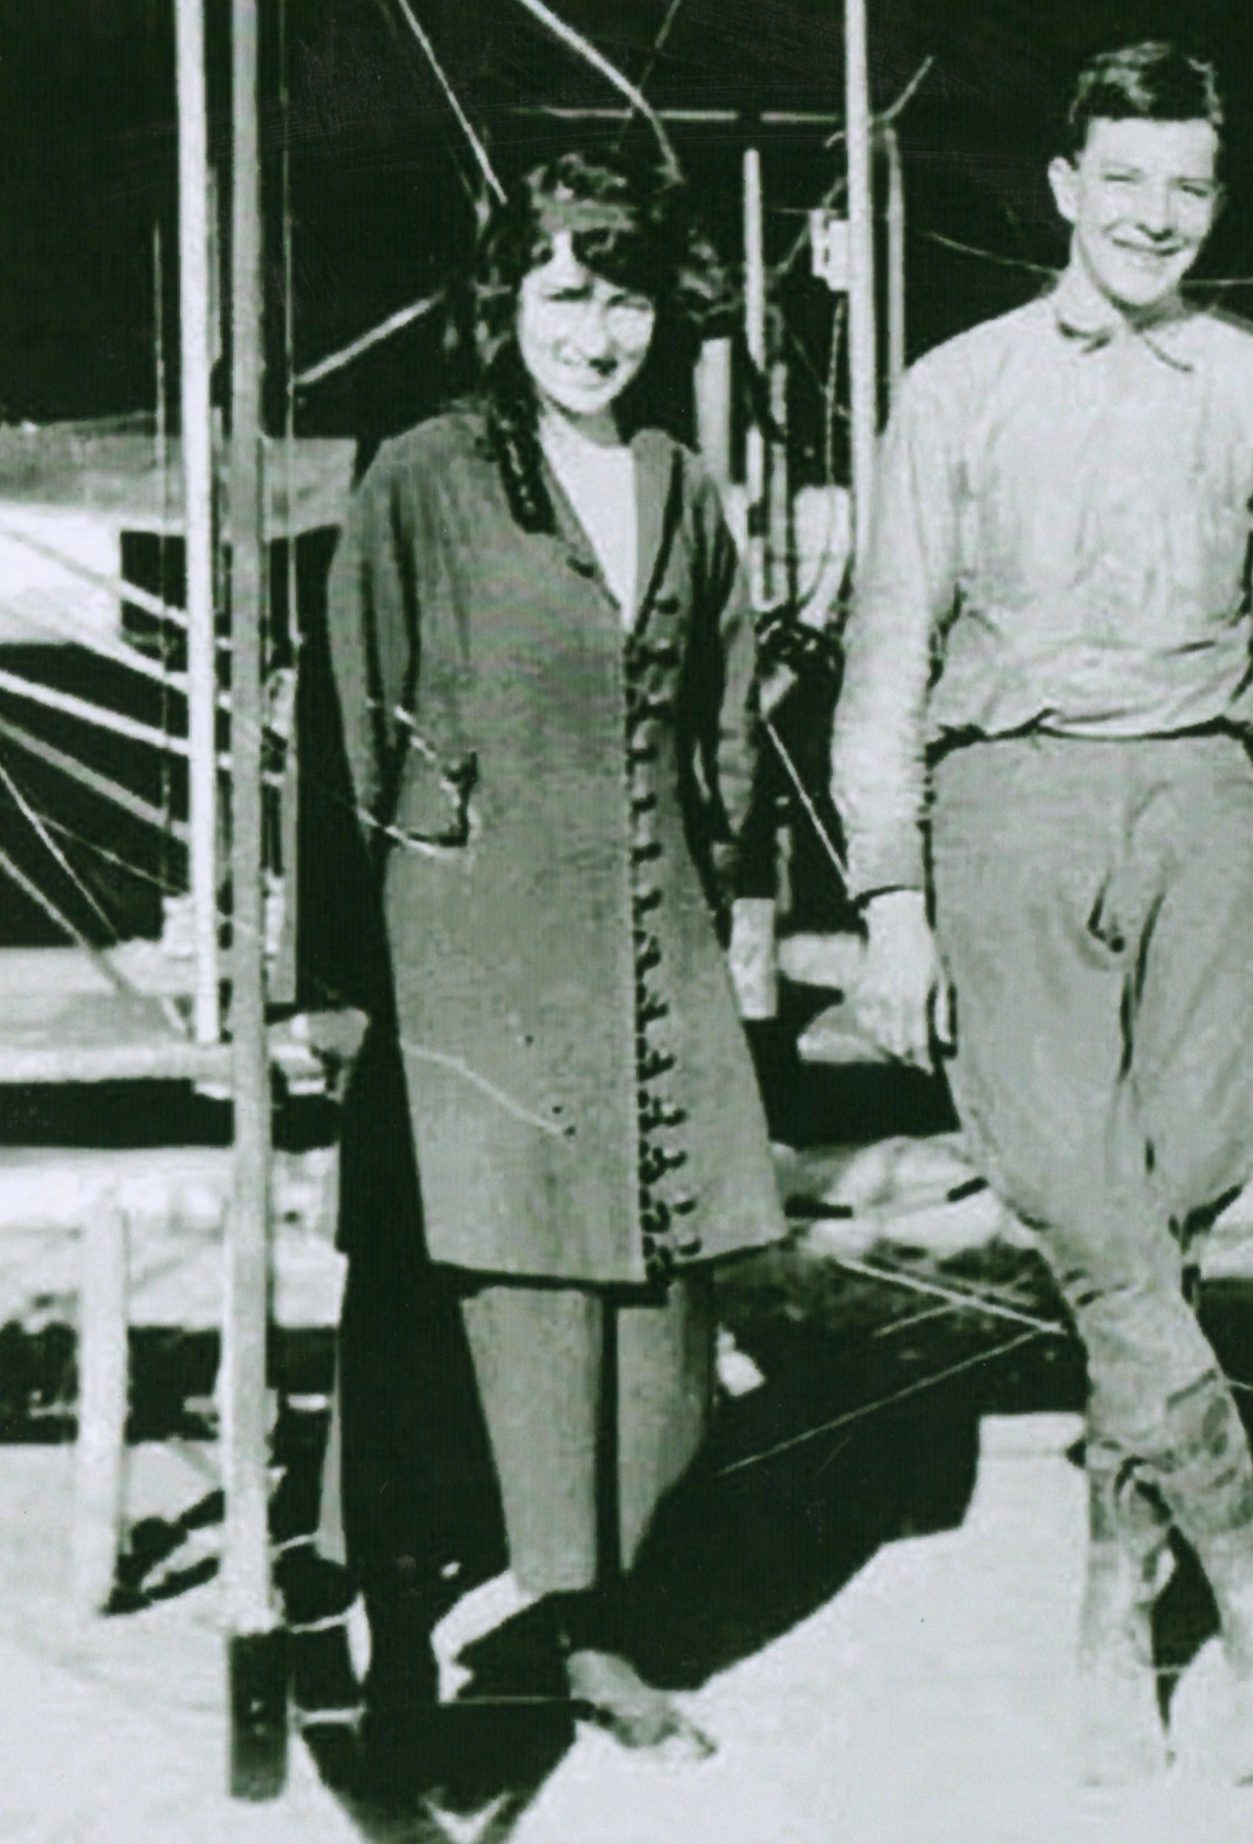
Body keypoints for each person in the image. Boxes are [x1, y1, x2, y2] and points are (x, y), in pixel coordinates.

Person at [831, 40, 1253, 1785]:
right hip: (1010, 817)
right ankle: (1251, 1593)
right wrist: (891, 898)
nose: (1154, 215)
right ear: (1066, 188)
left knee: (1174, 1201)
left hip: (1207, 812)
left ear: (1217, 200)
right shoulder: (959, 388)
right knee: (1083, 1199)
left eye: (1187, 186)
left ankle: (1111, 1611)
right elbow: (887, 653)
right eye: (1123, 179)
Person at [316, 147, 785, 1760]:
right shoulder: (423, 477)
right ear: (505, 300)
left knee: (643, 1321)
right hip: (467, 980)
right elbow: (346, 724)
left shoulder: (679, 481)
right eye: (565, 294)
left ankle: (593, 1632)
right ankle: (397, 1645)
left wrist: (734, 916)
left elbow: (725, 723)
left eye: (628, 299)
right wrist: (339, 987)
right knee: (459, 1309)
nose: (597, 334)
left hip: (644, 968)